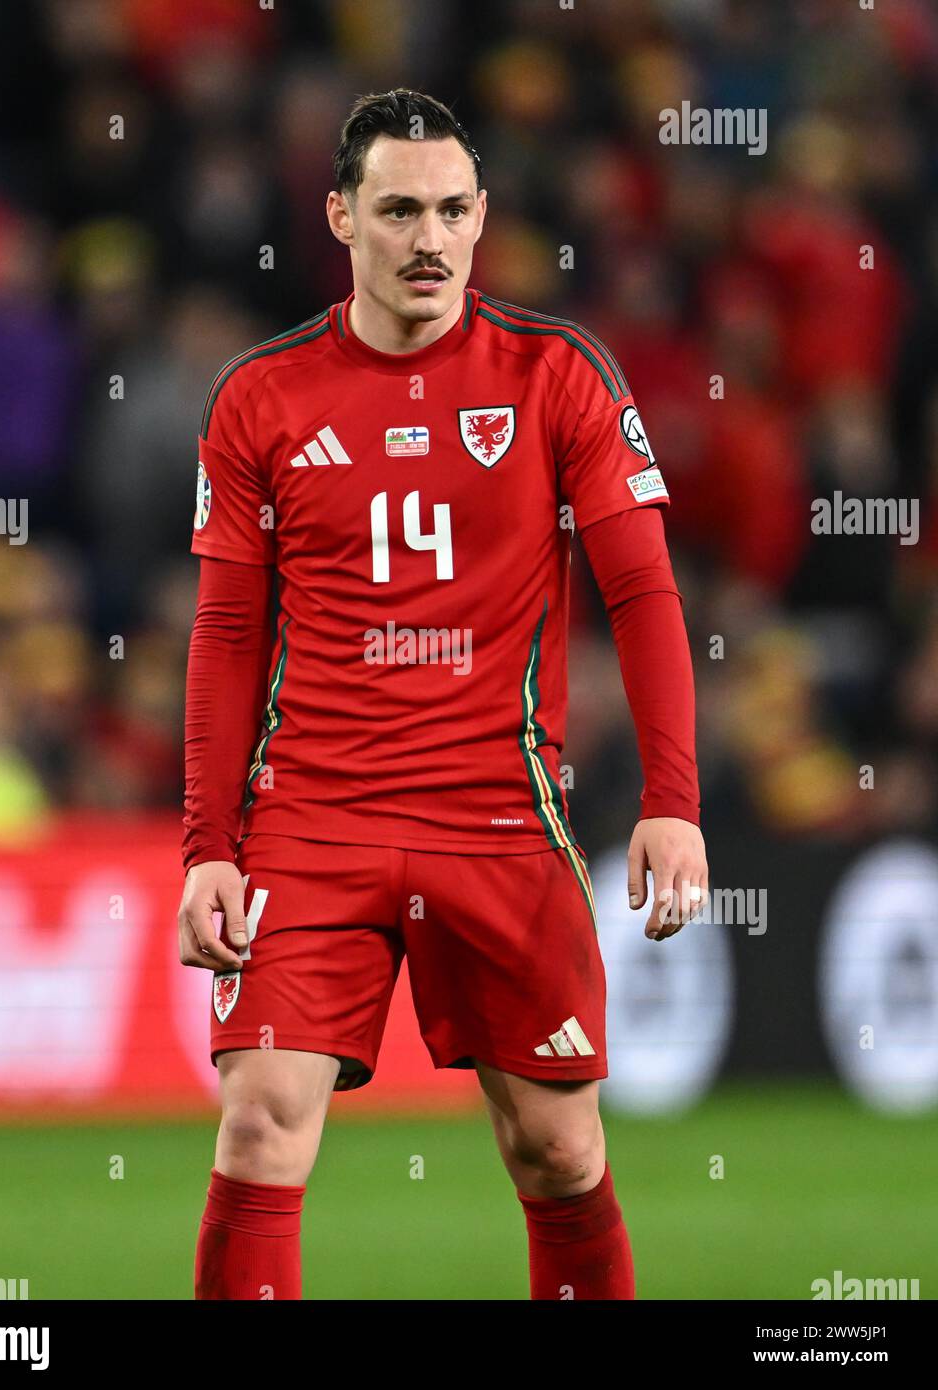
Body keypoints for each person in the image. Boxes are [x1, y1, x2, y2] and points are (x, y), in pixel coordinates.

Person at [179, 88, 707, 1301]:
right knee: (259, 1124)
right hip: (311, 817)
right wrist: (209, 845)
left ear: (482, 218)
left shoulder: (554, 376)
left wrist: (670, 799)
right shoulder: (260, 397)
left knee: (560, 1152)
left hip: (497, 813)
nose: (430, 236)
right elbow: (222, 636)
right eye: (399, 207)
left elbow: (642, 592)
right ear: (339, 215)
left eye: (454, 209)